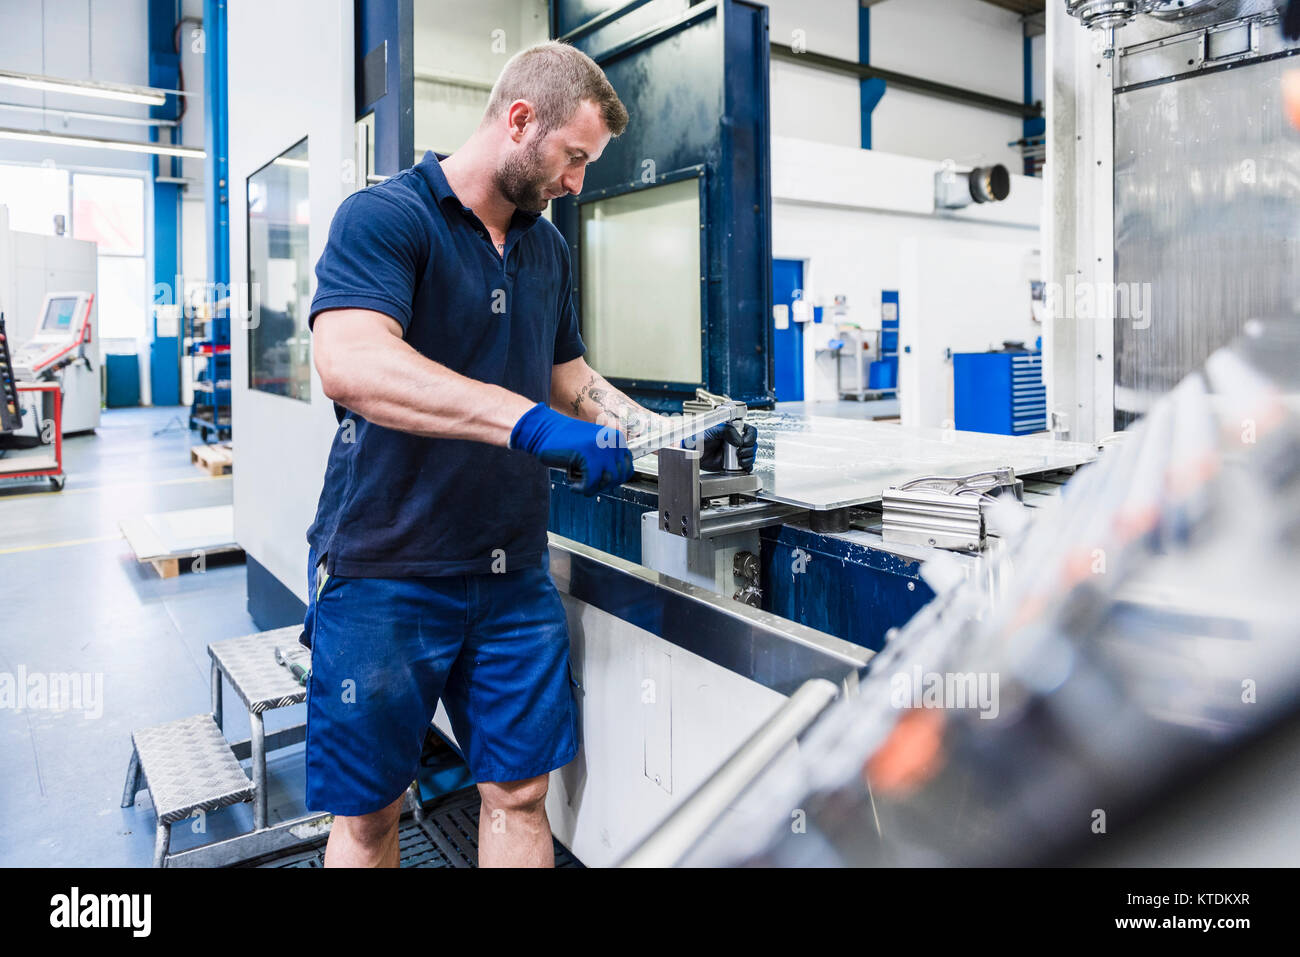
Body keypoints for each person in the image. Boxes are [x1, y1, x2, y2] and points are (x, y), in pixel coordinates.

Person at [301, 40, 757, 867]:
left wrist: (658, 431)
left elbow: (571, 379)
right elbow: (353, 361)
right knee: (369, 815)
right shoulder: (387, 218)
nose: (577, 183)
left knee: (520, 793)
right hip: (385, 567)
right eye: (573, 157)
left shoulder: (544, 249)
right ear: (519, 120)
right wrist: (531, 425)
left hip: (510, 573)